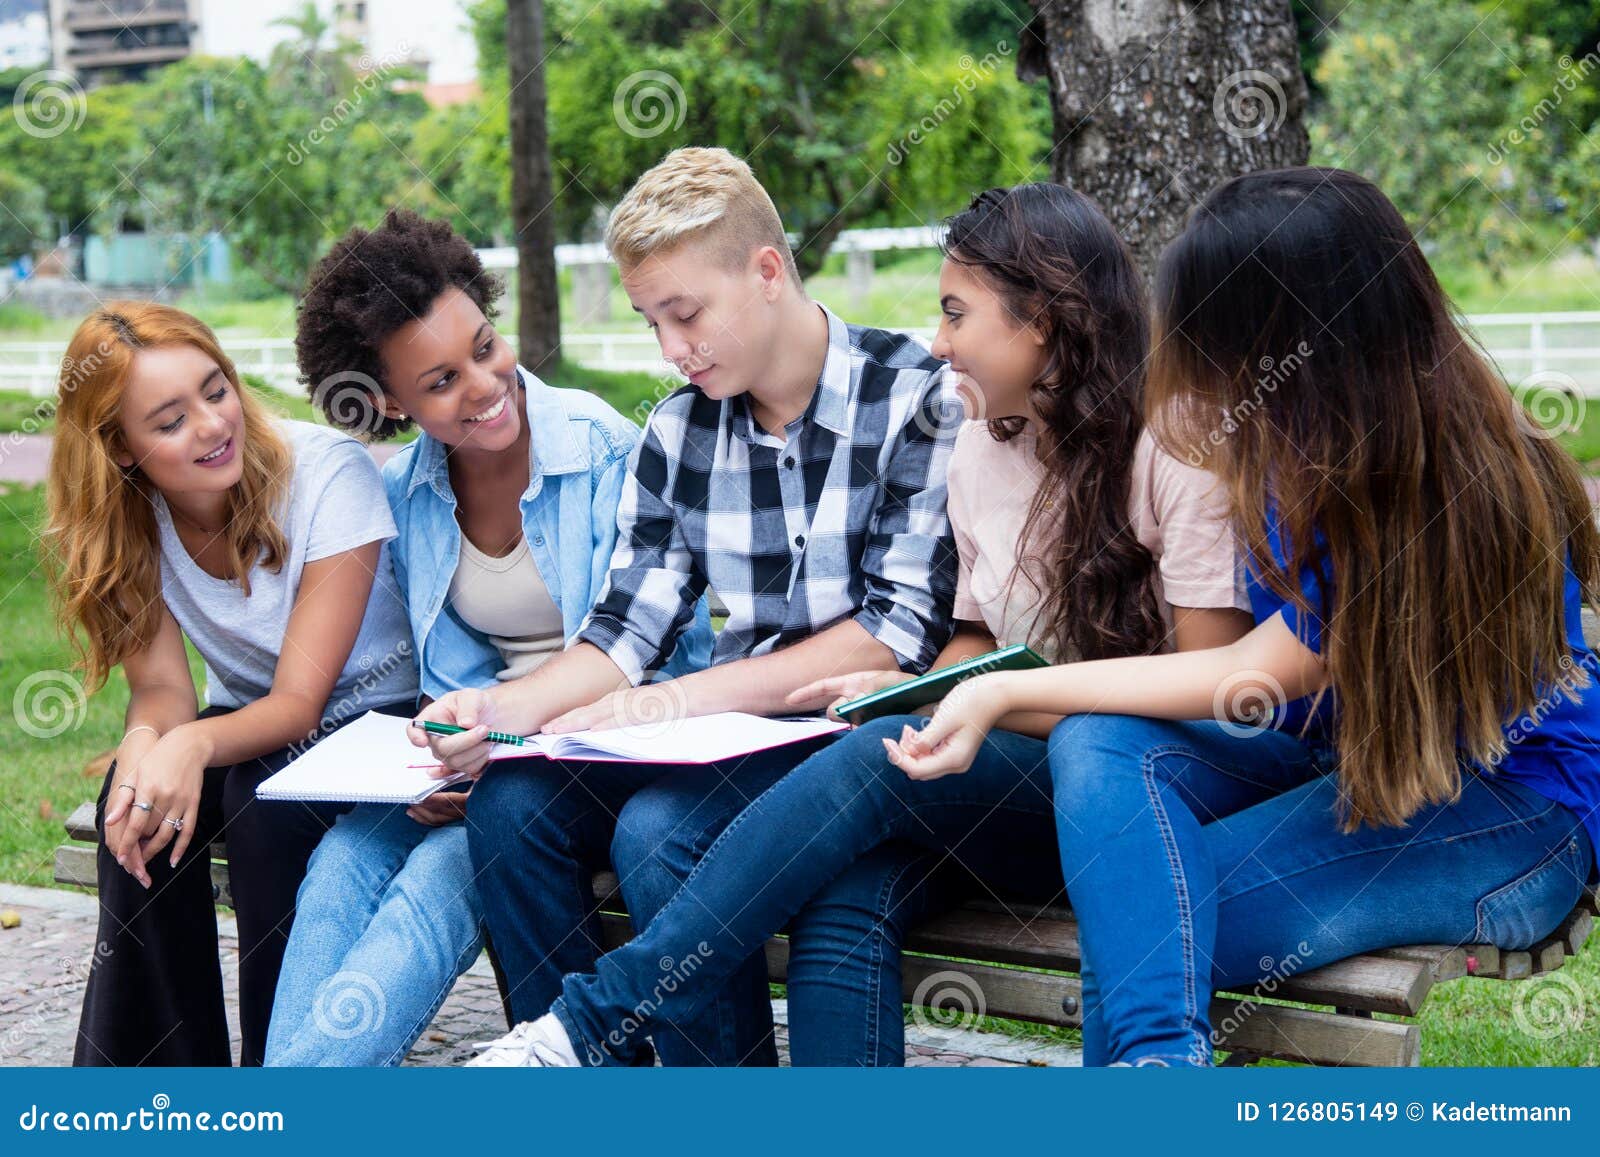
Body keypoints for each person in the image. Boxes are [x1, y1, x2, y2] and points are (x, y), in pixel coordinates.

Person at [463, 183, 1255, 1067]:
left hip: (1093, 786)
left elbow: (1204, 685)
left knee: (742, 804)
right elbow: (966, 639)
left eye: (956, 312)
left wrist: (976, 694)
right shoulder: (986, 442)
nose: (940, 339)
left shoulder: (1123, 438)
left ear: (1046, 319)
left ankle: (591, 1020)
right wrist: (923, 689)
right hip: (953, 757)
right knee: (830, 891)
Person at [894, 167, 1600, 1066]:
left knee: (1149, 930)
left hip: (1507, 808)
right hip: (1346, 767)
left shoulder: (1426, 469)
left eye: (1215, 339)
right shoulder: (1301, 438)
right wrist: (995, 688)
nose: (1197, 365)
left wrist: (996, 696)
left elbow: (1258, 670)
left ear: (1292, 334)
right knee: (1101, 754)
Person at [413, 146, 959, 1066]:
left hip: (856, 741)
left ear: (768, 270)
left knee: (660, 828)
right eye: (649, 320)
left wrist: (670, 702)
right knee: (509, 802)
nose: (671, 348)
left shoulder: (915, 397)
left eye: (686, 314)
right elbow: (626, 630)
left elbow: (892, 639)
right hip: (733, 740)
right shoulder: (678, 429)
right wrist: (496, 714)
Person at [263, 209, 710, 1066]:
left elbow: (658, 652)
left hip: (607, 754)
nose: (483, 382)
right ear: (390, 400)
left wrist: (501, 745)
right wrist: (433, 759)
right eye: (439, 382)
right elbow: (439, 676)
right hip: (480, 755)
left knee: (437, 881)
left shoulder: (608, 451)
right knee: (340, 864)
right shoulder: (407, 496)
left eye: (484, 345)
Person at [45, 303, 419, 1066]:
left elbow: (300, 703)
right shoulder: (132, 517)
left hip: (381, 720)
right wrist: (151, 753)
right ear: (121, 448)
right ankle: (158, 1078)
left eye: (215, 391)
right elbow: (160, 697)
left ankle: (280, 1079)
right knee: (135, 796)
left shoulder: (325, 474)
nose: (213, 426)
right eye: (171, 420)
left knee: (259, 802)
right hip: (259, 728)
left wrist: (188, 743)